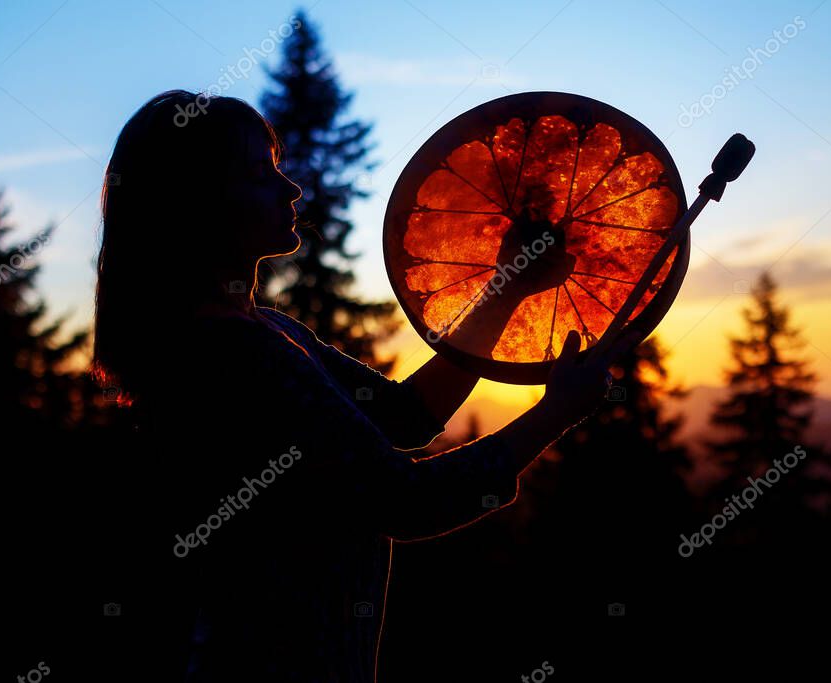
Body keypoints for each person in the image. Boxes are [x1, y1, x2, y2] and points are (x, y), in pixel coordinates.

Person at [93, 90, 638, 682]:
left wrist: (505, 288)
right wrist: (555, 413)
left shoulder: (261, 329)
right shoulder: (233, 351)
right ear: (195, 202)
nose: (290, 189)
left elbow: (403, 415)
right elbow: (406, 502)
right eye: (258, 175)